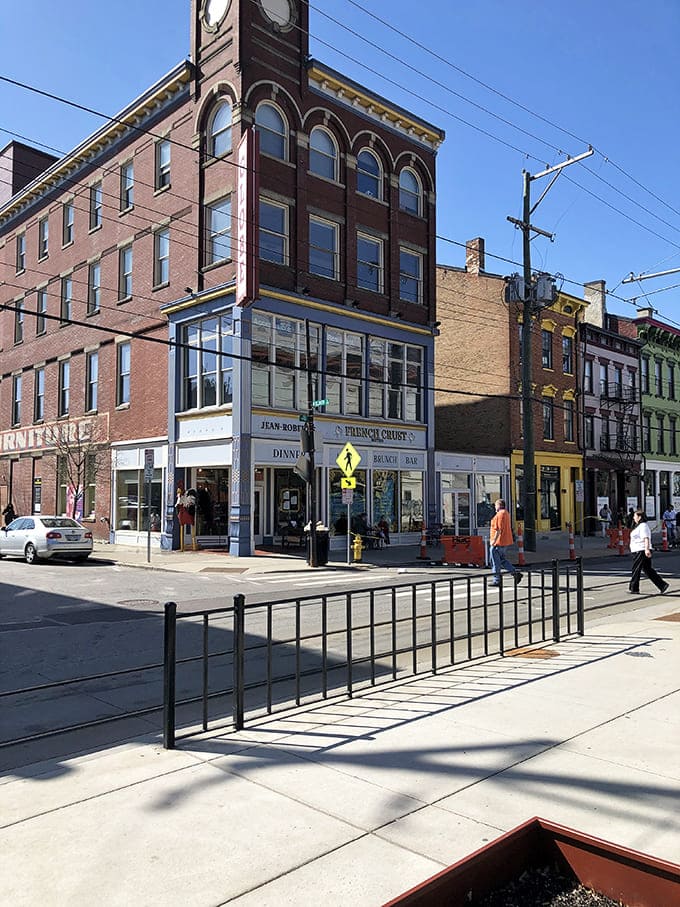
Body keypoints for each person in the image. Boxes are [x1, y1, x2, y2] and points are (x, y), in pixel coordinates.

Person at [628, 509, 669, 595]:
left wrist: (646, 549)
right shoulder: (638, 526)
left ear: (639, 517)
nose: (633, 518)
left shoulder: (643, 526)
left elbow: (646, 538)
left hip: (641, 550)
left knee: (636, 569)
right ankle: (662, 585)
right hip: (638, 549)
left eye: (635, 516)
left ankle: (634, 588)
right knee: (647, 569)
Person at [489, 499, 522, 587]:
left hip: (498, 543)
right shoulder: (506, 513)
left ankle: (497, 580)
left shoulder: (499, 515)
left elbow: (498, 530)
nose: (494, 507)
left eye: (495, 505)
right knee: (502, 560)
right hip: (504, 542)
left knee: (495, 562)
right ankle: (515, 573)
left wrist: (493, 541)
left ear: (499, 505)